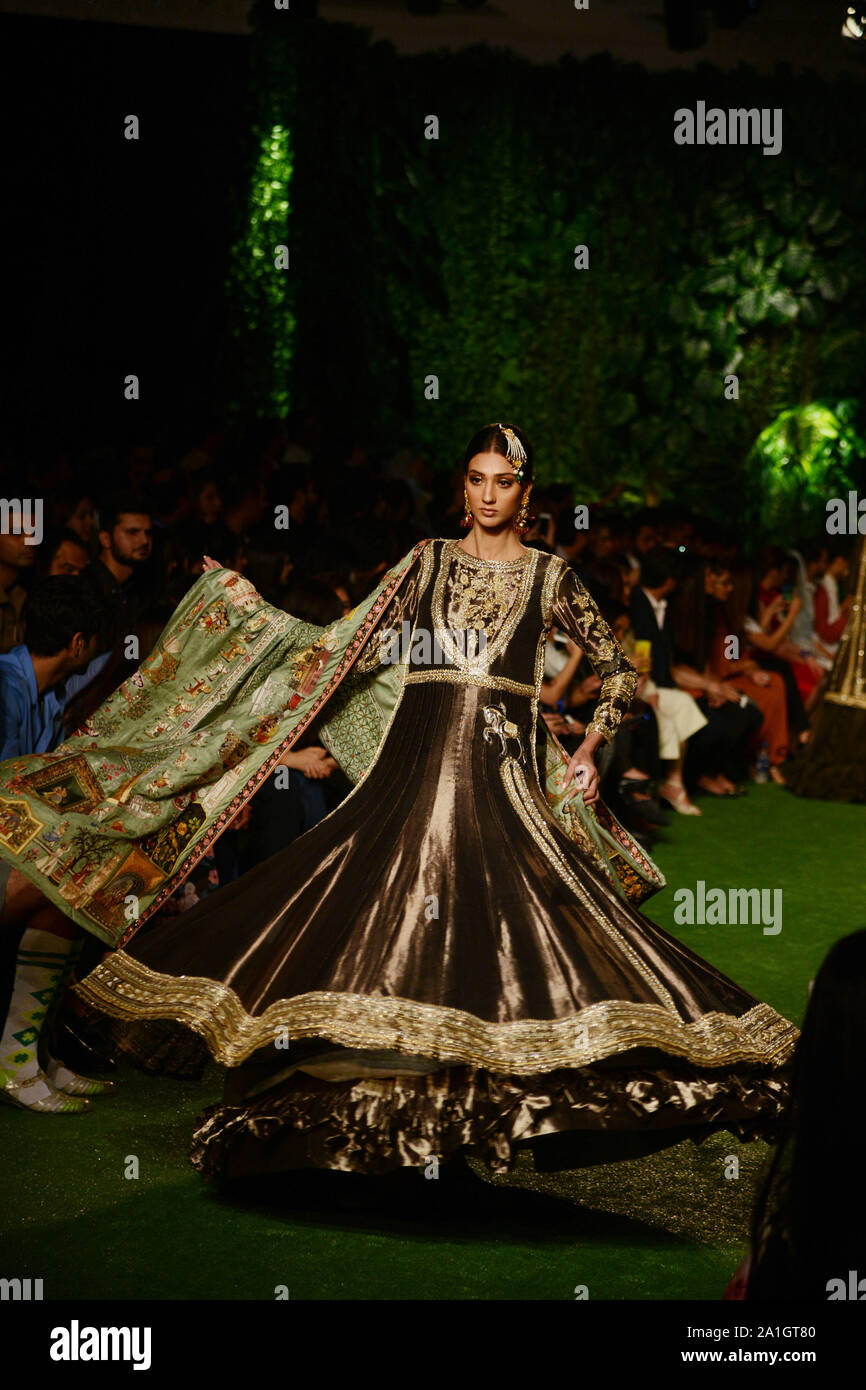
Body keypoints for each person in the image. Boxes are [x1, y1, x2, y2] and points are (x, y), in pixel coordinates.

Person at [1, 425, 797, 1185]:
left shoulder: (550, 577)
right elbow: (342, 644)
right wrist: (242, 608)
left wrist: (590, 749)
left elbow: (620, 672)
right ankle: (375, 1121)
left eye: (504, 483)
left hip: (502, 783)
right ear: (463, 488)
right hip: (413, 776)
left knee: (507, 940)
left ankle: (467, 1119)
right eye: (477, 480)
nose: (489, 495)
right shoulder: (426, 561)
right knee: (381, 926)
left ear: (525, 494)